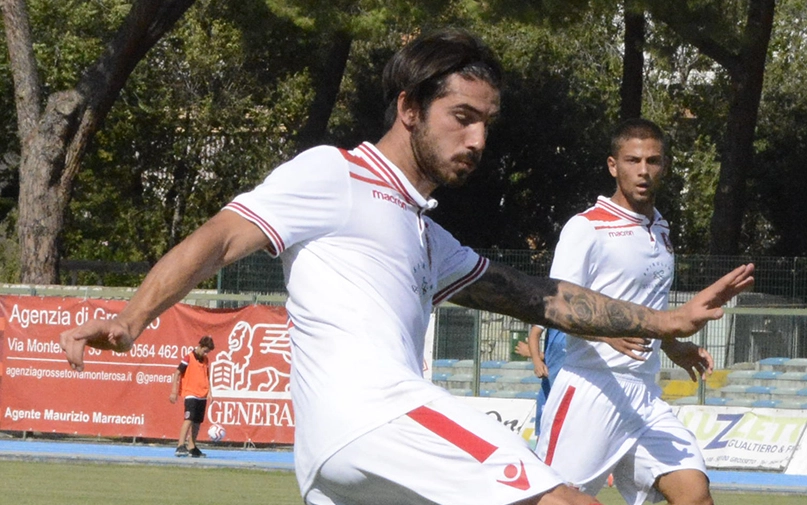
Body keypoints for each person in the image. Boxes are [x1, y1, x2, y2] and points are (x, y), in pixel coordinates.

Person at [60, 29, 753, 505]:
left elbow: (536, 296)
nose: (477, 138)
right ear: (408, 108)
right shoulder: (333, 173)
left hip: (335, 461)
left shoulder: (422, 233)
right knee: (560, 498)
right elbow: (218, 238)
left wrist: (665, 320)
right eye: (462, 116)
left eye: (487, 122)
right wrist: (134, 314)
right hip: (379, 416)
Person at [535, 118, 718, 505]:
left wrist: (671, 345)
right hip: (592, 387)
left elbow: (649, 307)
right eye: (633, 160)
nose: (643, 170)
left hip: (646, 395)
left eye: (653, 161)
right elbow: (556, 302)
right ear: (612, 165)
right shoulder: (586, 228)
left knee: (694, 494)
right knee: (550, 500)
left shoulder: (661, 230)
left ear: (664, 166)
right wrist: (605, 330)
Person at [169, 335, 215, 457]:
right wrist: (174, 391)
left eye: (208, 352)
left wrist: (210, 391)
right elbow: (177, 372)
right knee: (188, 419)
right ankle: (180, 445)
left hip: (202, 394)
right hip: (191, 393)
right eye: (205, 351)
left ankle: (192, 446)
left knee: (197, 422)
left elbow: (207, 375)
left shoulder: (205, 360)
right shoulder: (188, 357)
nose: (206, 354)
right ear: (199, 346)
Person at [525, 324, 566, 438]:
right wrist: (537, 361)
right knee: (544, 429)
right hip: (551, 375)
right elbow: (535, 333)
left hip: (573, 375)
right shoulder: (553, 308)